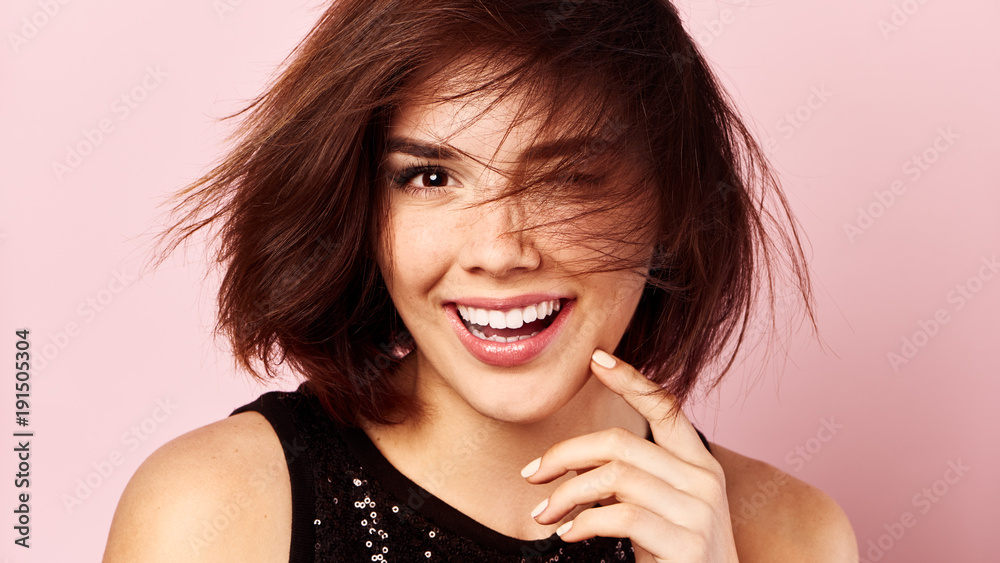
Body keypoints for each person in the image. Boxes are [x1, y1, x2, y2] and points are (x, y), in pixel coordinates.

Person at [104, 0, 858, 561]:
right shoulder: (211, 514)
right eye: (431, 176)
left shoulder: (788, 534)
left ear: (673, 201)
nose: (499, 251)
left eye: (569, 176)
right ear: (363, 205)